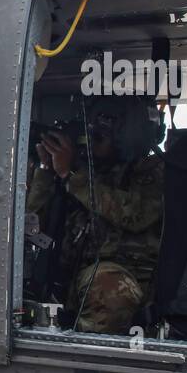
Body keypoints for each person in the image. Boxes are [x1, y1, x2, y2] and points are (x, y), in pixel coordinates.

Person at [26, 98, 163, 333]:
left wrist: (72, 175)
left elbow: (135, 214)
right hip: (72, 278)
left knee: (106, 285)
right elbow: (32, 228)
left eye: (100, 133)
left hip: (125, 278)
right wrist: (47, 172)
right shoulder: (81, 170)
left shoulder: (153, 170)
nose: (89, 139)